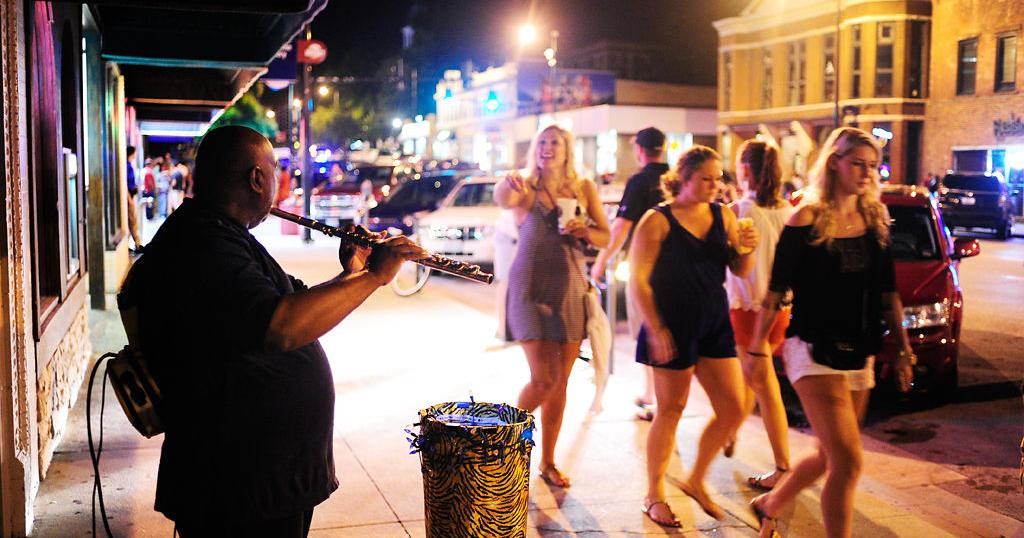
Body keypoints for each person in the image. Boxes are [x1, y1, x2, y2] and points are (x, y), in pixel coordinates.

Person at [133, 125, 426, 537]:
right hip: (238, 486)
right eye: (274, 170)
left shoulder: (221, 234)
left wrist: (352, 273)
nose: (278, 180)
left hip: (260, 479)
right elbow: (281, 327)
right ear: (257, 178)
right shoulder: (204, 244)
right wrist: (375, 277)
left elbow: (291, 302)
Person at [748, 127, 915, 538]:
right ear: (835, 163)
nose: (866, 173)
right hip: (811, 346)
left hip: (859, 349)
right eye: (858, 163)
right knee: (849, 461)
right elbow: (775, 291)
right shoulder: (806, 217)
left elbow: (888, 293)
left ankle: (771, 503)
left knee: (828, 455)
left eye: (872, 165)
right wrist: (755, 348)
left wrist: (904, 349)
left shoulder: (875, 220)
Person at [629, 145, 758, 526]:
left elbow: (741, 269)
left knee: (735, 407)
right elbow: (638, 279)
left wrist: (748, 248)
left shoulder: (723, 215)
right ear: (683, 179)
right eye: (706, 178)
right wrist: (655, 328)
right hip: (672, 322)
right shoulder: (657, 220)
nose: (715, 185)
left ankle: (696, 478)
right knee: (671, 409)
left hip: (713, 320)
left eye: (718, 178)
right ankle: (654, 495)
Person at [496, 124, 610, 488]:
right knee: (542, 379)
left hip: (570, 289)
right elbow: (503, 199)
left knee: (560, 382)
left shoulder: (583, 188)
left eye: (554, 142)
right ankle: (499, 439)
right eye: (542, 142)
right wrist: (506, 184)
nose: (547, 147)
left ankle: (547, 461)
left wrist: (584, 231)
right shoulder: (526, 186)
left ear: (566, 149)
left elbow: (605, 236)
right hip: (529, 289)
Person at [723, 140, 794, 489]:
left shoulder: (738, 211)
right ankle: (731, 432)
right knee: (753, 377)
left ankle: (782, 466)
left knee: (764, 385)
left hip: (749, 309)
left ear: (746, 170)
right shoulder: (790, 211)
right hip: (782, 309)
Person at [589, 127, 669, 421]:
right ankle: (651, 394)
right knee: (661, 329)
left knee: (647, 329)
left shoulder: (640, 181)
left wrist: (601, 260)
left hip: (644, 265)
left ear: (639, 150)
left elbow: (622, 226)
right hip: (673, 265)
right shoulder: (673, 177)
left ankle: (657, 399)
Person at [125, 145, 144, 253]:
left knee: (131, 221)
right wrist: (129, 197)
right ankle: (137, 245)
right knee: (132, 221)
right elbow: (126, 184)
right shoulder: (127, 166)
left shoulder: (127, 165)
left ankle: (134, 244)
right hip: (129, 197)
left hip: (130, 196)